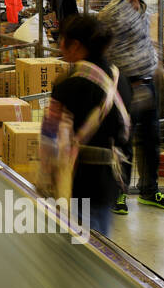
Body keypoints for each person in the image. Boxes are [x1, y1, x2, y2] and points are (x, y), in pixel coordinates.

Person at [97, 0, 164, 214]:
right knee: (124, 140)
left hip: (148, 82)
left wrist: (159, 67)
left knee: (151, 139)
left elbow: (144, 41)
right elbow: (102, 50)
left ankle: (149, 190)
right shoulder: (112, 14)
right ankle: (118, 193)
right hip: (125, 87)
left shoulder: (141, 6)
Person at [40, 15, 133, 237]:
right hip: (113, 174)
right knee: (100, 235)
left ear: (76, 46)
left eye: (62, 40)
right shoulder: (120, 78)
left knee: (84, 241)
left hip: (83, 175)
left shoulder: (70, 81)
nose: (59, 45)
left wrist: (46, 176)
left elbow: (49, 135)